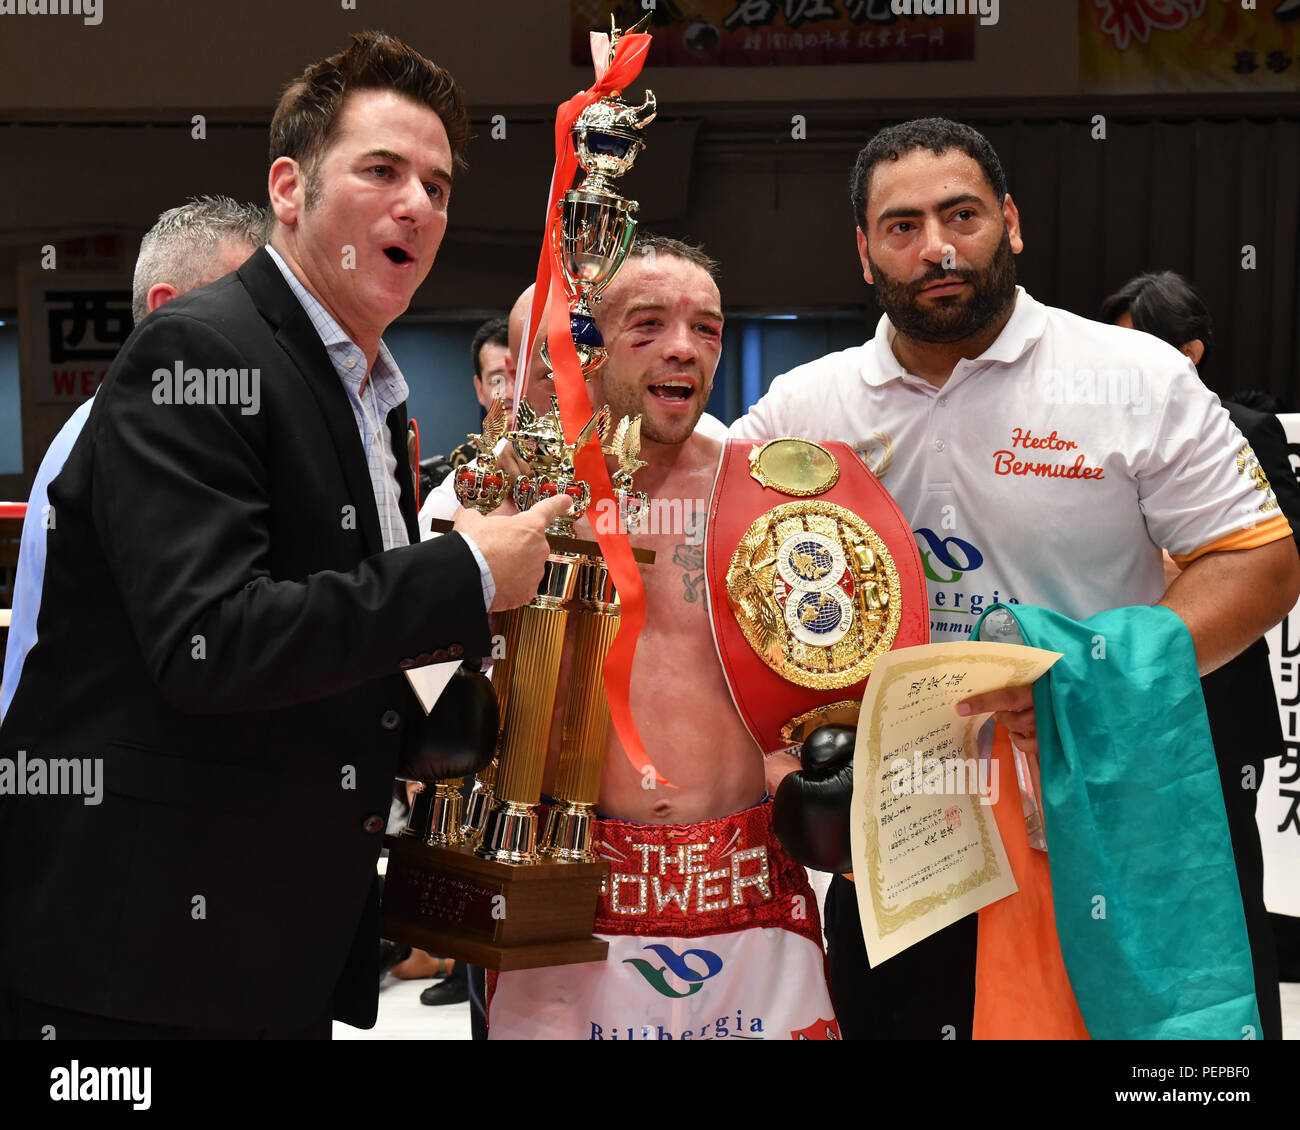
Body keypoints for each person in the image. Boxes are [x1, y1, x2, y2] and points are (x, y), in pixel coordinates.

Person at [0, 31, 570, 1040]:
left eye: (437, 185)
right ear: (290, 190)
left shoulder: (364, 391)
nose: (418, 205)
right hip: (138, 960)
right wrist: (466, 572)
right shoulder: (201, 347)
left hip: (265, 945)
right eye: (382, 169)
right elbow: (209, 638)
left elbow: (329, 633)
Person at [730, 117, 1300, 1038]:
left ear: (1012, 223)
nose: (938, 247)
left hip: (1102, 800)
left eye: (962, 215)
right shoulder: (806, 406)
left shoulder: (1131, 377)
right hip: (906, 827)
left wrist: (1096, 681)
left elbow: (1261, 561)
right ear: (866, 254)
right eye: (902, 226)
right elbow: (719, 579)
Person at [482, 234, 838, 1040]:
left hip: (751, 886)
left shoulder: (767, 492)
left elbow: (806, 684)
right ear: (590, 346)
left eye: (706, 328)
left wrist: (819, 778)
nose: (684, 346)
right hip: (568, 890)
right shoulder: (517, 502)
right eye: (648, 324)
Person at [1102, 269, 1300, 1040]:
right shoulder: (1092, 439)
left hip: (1217, 705)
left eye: (1140, 349)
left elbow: (1267, 563)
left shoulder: (1245, 429)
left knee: (1225, 895)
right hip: (1117, 704)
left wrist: (1195, 569)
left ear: (1191, 351)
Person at [2, 195, 269, 721]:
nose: (264, 334)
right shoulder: (141, 433)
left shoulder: (115, 418)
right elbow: (216, 641)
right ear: (166, 308)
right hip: (80, 764)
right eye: (246, 309)